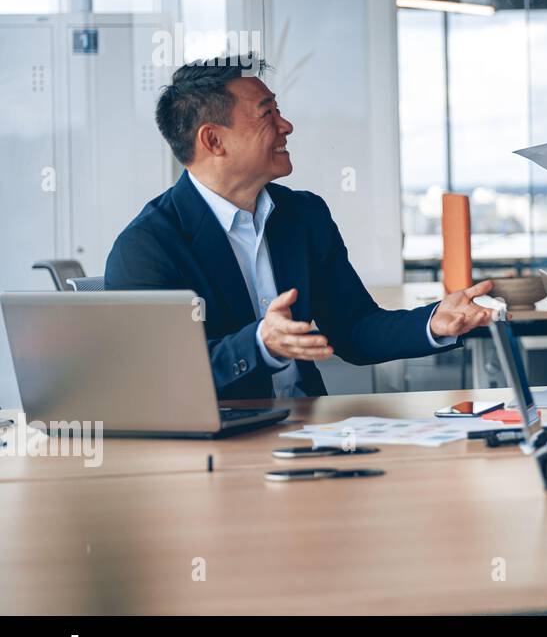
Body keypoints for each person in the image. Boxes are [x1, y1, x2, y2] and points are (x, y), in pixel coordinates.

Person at [106, 56, 497, 400]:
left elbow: (354, 329)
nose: (286, 126)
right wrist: (260, 344)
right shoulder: (146, 246)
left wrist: (432, 322)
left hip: (307, 429)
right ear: (213, 139)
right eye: (268, 114)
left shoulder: (303, 215)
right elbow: (158, 376)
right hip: (220, 443)